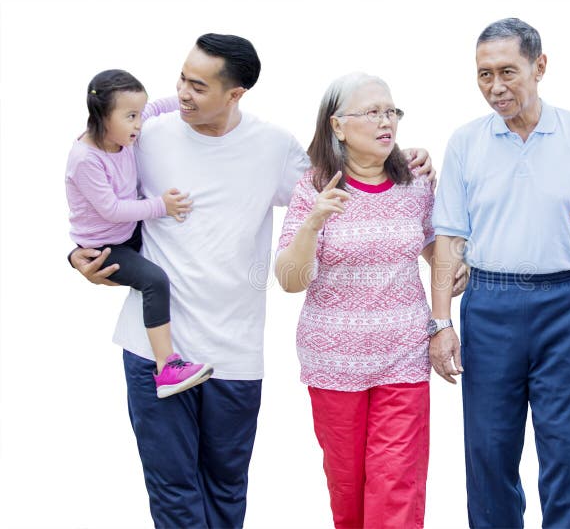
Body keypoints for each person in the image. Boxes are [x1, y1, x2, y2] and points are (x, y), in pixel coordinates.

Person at [68, 35, 433, 528]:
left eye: (197, 85)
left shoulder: (273, 147)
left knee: (226, 491)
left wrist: (404, 155)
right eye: (181, 78)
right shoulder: (146, 134)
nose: (181, 92)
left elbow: (349, 174)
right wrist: (77, 255)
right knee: (173, 491)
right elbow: (90, 179)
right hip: (156, 347)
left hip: (235, 353)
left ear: (235, 93)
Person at [429, 18, 570, 528]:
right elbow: (449, 237)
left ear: (540, 67)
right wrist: (441, 322)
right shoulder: (466, 141)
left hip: (562, 302)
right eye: (484, 74)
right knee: (489, 450)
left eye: (508, 72)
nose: (496, 87)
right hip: (490, 305)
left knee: (569, 448)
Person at [274, 72, 451, 529]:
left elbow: (439, 254)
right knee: (348, 490)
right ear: (337, 126)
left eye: (391, 111)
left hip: (403, 358)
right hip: (334, 362)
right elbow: (290, 280)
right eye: (371, 112)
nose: (385, 121)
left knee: (396, 486)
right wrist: (312, 224)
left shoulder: (415, 182)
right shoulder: (313, 187)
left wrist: (447, 308)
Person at [66, 69, 213, 399]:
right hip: (105, 246)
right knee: (155, 280)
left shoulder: (122, 134)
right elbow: (112, 210)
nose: (138, 124)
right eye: (130, 116)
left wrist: (194, 101)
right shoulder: (86, 159)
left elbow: (158, 107)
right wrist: (161, 206)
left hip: (127, 232)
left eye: (138, 114)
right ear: (104, 116)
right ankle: (166, 367)